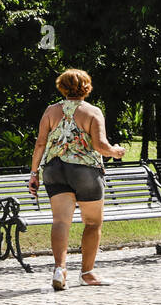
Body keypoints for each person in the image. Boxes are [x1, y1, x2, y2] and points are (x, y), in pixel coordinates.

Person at [29, 69, 126, 290]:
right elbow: (101, 146)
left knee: (61, 221)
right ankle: (87, 273)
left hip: (53, 169)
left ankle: (59, 268)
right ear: (87, 87)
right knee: (92, 222)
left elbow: (40, 144)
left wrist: (34, 173)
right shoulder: (92, 112)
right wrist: (116, 151)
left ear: (61, 87)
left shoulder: (51, 111)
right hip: (84, 170)